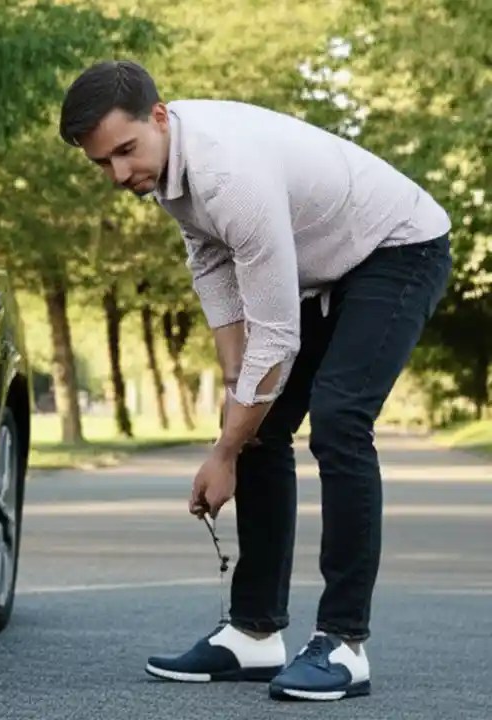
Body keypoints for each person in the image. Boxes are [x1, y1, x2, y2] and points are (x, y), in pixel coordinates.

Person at [56, 59, 452, 702]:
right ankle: (254, 633)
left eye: (126, 152)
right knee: (258, 418)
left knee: (340, 419)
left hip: (397, 247)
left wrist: (225, 451)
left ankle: (345, 644)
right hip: (327, 268)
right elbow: (217, 280)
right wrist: (237, 404)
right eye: (103, 163)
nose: (120, 175)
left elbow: (276, 336)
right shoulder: (169, 172)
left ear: (159, 117)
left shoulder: (225, 172)